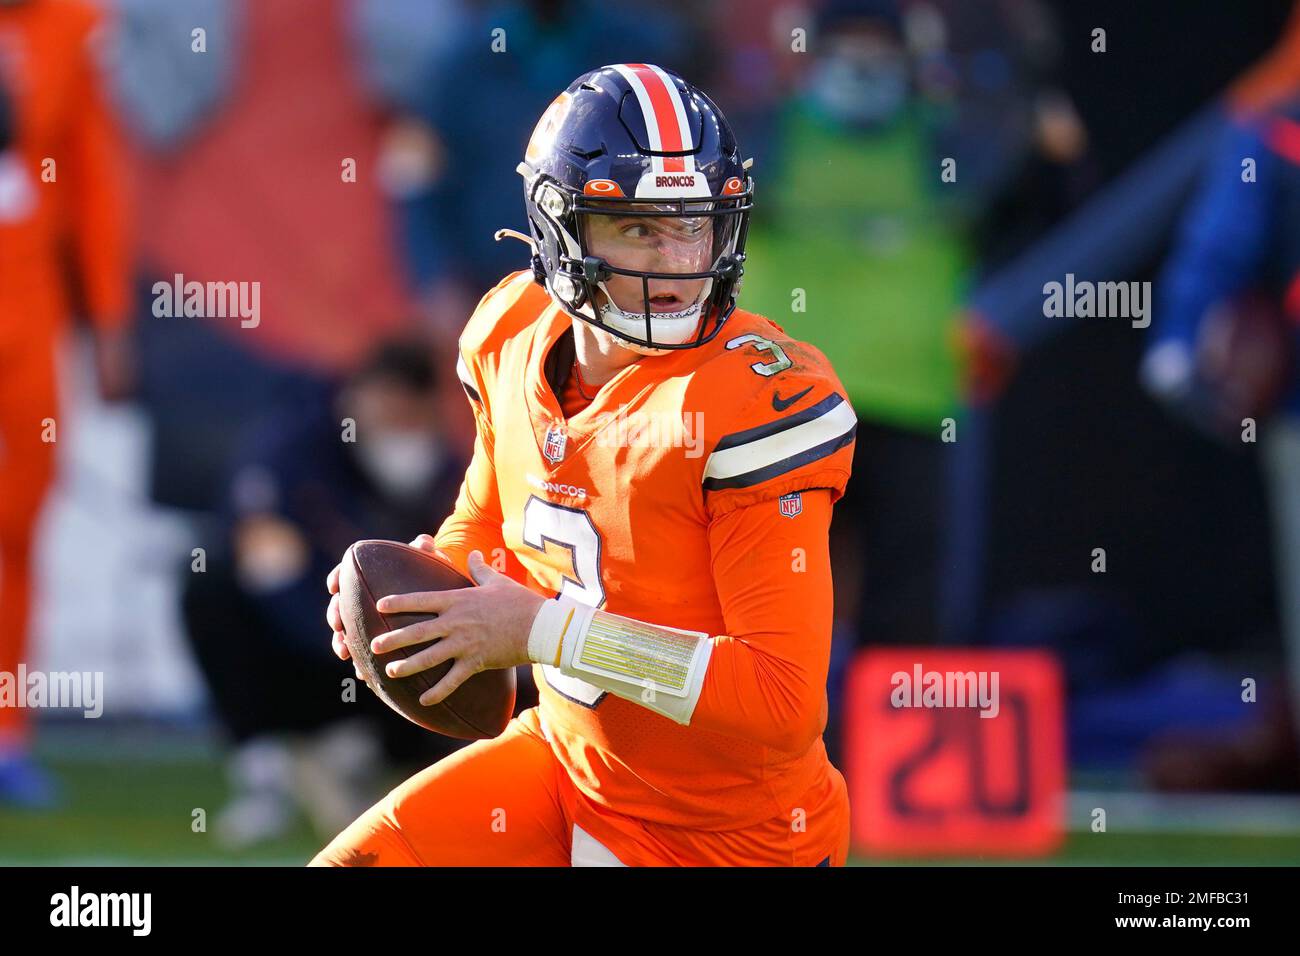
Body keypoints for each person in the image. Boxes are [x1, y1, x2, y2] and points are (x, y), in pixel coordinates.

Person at [313, 64, 857, 866]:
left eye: (694, 224)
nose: (675, 261)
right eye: (639, 227)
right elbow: (492, 522)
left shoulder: (755, 401)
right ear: (560, 229)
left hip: (728, 838)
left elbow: (781, 698)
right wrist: (432, 593)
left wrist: (540, 631)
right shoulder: (510, 332)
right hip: (566, 766)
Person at [184, 341, 467, 846]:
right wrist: (351, 643)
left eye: (413, 419)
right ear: (359, 400)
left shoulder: (446, 470)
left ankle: (369, 753)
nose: (403, 434)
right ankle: (269, 764)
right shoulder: (288, 456)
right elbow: (270, 573)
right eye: (392, 415)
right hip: (311, 644)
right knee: (211, 579)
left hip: (399, 659)